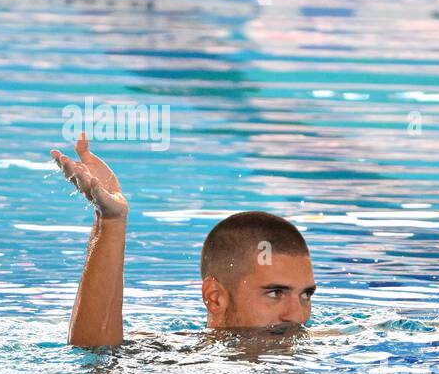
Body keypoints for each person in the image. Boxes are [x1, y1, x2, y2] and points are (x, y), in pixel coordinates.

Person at [50, 133, 317, 348]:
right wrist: (110, 222)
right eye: (275, 293)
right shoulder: (177, 356)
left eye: (305, 295)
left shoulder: (334, 344)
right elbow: (95, 351)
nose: (297, 316)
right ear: (215, 297)